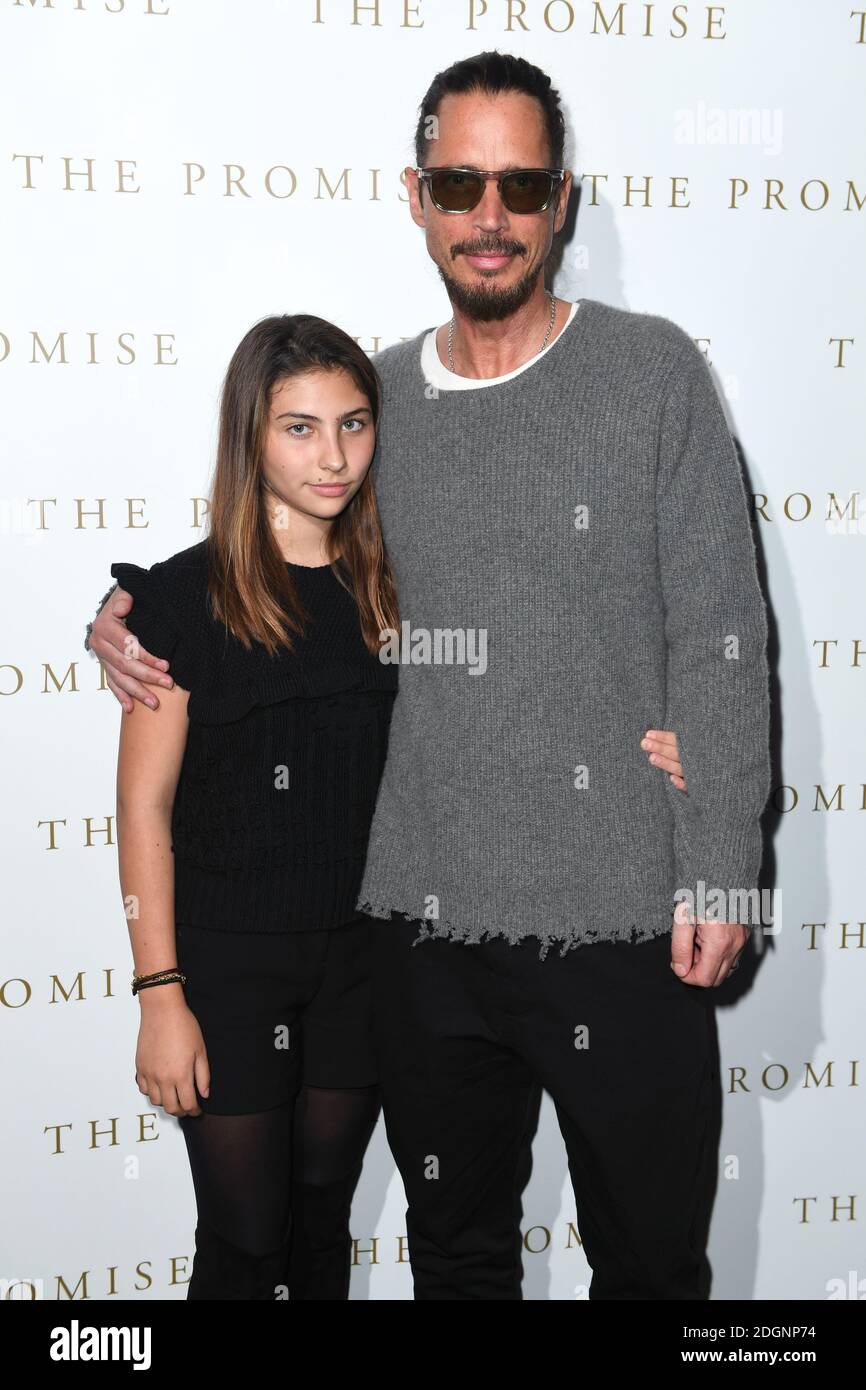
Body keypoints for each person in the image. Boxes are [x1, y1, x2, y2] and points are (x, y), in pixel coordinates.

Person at [86, 51, 753, 1301]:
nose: (487, 215)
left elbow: (720, 628)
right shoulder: (373, 402)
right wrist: (126, 609)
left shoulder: (653, 371)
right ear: (415, 197)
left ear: (560, 202)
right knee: (453, 1261)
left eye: (518, 184)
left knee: (652, 1265)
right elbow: (267, 551)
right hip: (420, 929)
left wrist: (717, 852)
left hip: (624, 915)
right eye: (458, 183)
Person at [110, 313, 399, 1299]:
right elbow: (143, 809)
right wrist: (160, 994)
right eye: (300, 427)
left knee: (322, 1223)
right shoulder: (180, 601)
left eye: (353, 423)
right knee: (243, 1241)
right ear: (251, 436)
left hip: (360, 963)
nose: (333, 455)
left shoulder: (395, 589)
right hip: (228, 967)